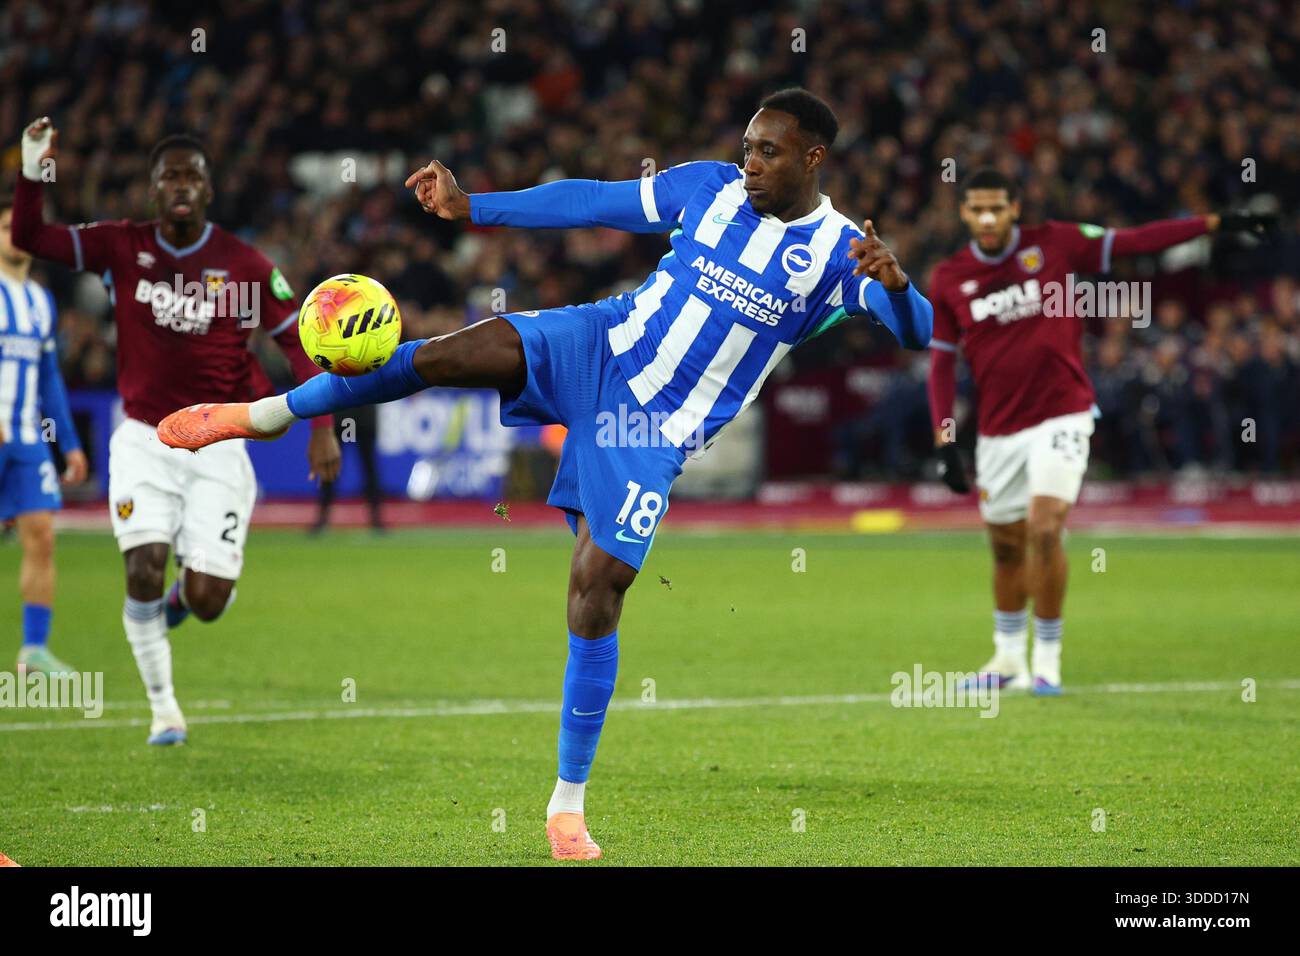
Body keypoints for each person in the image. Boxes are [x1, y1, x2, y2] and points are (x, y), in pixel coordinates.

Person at [157, 89, 933, 858]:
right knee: (459, 349)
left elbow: (913, 331)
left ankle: (566, 807)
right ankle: (263, 415)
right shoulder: (708, 188)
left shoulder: (838, 252)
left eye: (768, 151)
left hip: (651, 428)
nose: (751, 163)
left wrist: (895, 284)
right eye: (748, 146)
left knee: (598, 593)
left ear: (813, 156)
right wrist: (476, 207)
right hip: (602, 340)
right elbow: (592, 201)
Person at [11, 118, 342, 745]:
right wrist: (32, 167)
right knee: (142, 568)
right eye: (170, 177)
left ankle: (189, 597)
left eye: (193, 176)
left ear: (210, 191)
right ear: (153, 190)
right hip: (143, 437)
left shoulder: (243, 266)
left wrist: (321, 424)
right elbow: (30, 235)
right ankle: (164, 709)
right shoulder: (120, 247)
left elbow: (298, 343)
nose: (182, 186)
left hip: (219, 440)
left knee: (209, 598)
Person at [928, 167, 1275, 694]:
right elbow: (940, 364)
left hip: (1062, 414)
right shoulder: (949, 278)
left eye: (997, 207)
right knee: (1005, 546)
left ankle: (1046, 661)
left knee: (1045, 529)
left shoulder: (1058, 245)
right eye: (977, 208)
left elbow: (1137, 241)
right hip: (999, 431)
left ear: (1016, 208)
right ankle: (1005, 661)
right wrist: (946, 440)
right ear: (964, 213)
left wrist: (1212, 223)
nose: (988, 217)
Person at [0, 194, 88, 676]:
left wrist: (69, 443)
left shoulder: (39, 299)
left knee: (42, 537)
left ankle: (33, 649)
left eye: (21, 226)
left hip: (27, 438)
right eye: (5, 225)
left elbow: (50, 376)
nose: (14, 233)